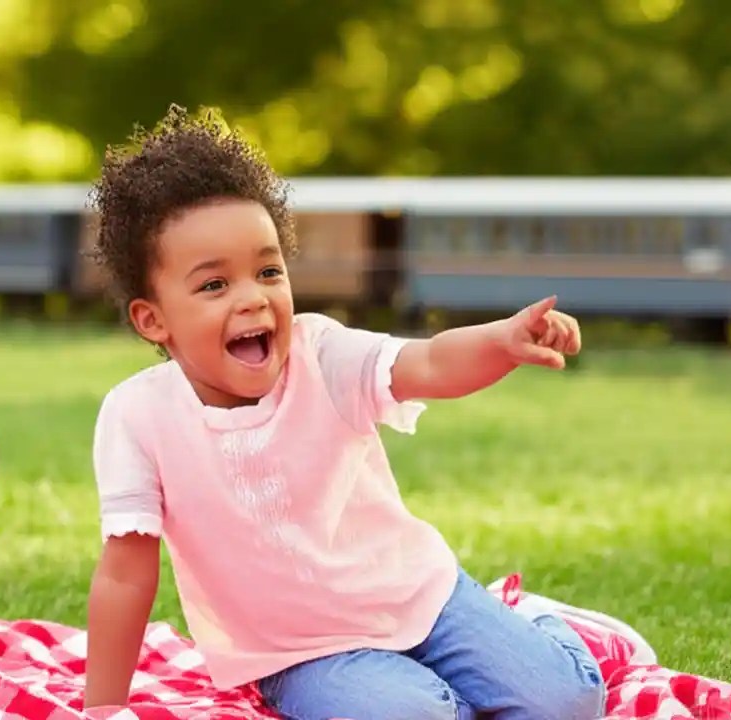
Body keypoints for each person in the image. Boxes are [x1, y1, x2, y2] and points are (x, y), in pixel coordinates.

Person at [80, 104, 609, 720]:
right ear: (153, 319)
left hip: (422, 595)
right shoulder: (138, 417)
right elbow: (125, 574)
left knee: (567, 702)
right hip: (305, 653)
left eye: (268, 270)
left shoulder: (323, 353)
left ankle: (541, 622)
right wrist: (102, 710)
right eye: (214, 285)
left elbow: (432, 363)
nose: (253, 297)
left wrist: (501, 341)